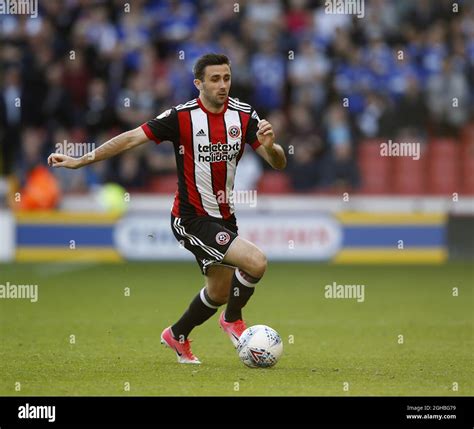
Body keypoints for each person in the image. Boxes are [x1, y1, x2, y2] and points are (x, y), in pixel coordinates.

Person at [48, 53, 287, 364]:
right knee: (256, 262)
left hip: (225, 218)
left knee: (218, 292)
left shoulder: (243, 115)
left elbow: (278, 162)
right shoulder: (181, 116)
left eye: (226, 78)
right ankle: (233, 320)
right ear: (198, 83)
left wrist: (270, 146)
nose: (222, 85)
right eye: (215, 79)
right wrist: (82, 160)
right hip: (191, 218)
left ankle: (176, 335)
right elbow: (132, 138)